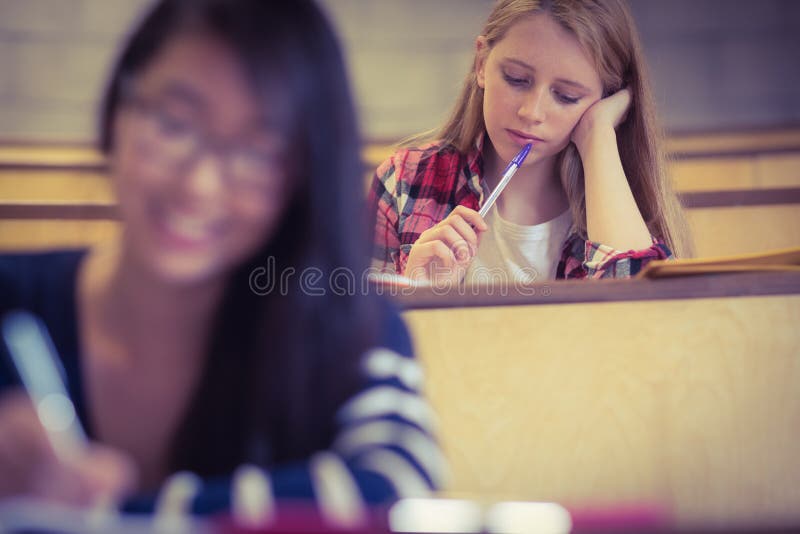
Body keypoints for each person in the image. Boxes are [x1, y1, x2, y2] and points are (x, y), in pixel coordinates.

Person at [0, 0, 441, 522]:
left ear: (304, 177)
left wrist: (110, 514)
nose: (199, 186)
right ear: (115, 109)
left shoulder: (348, 324)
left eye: (258, 153)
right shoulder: (13, 299)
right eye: (173, 124)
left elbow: (396, 485)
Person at [370, 0, 690, 286]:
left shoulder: (625, 207)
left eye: (567, 96)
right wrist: (417, 292)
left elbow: (643, 320)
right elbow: (361, 322)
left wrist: (599, 134)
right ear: (481, 64)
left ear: (606, 99)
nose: (531, 113)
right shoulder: (404, 181)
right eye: (516, 79)